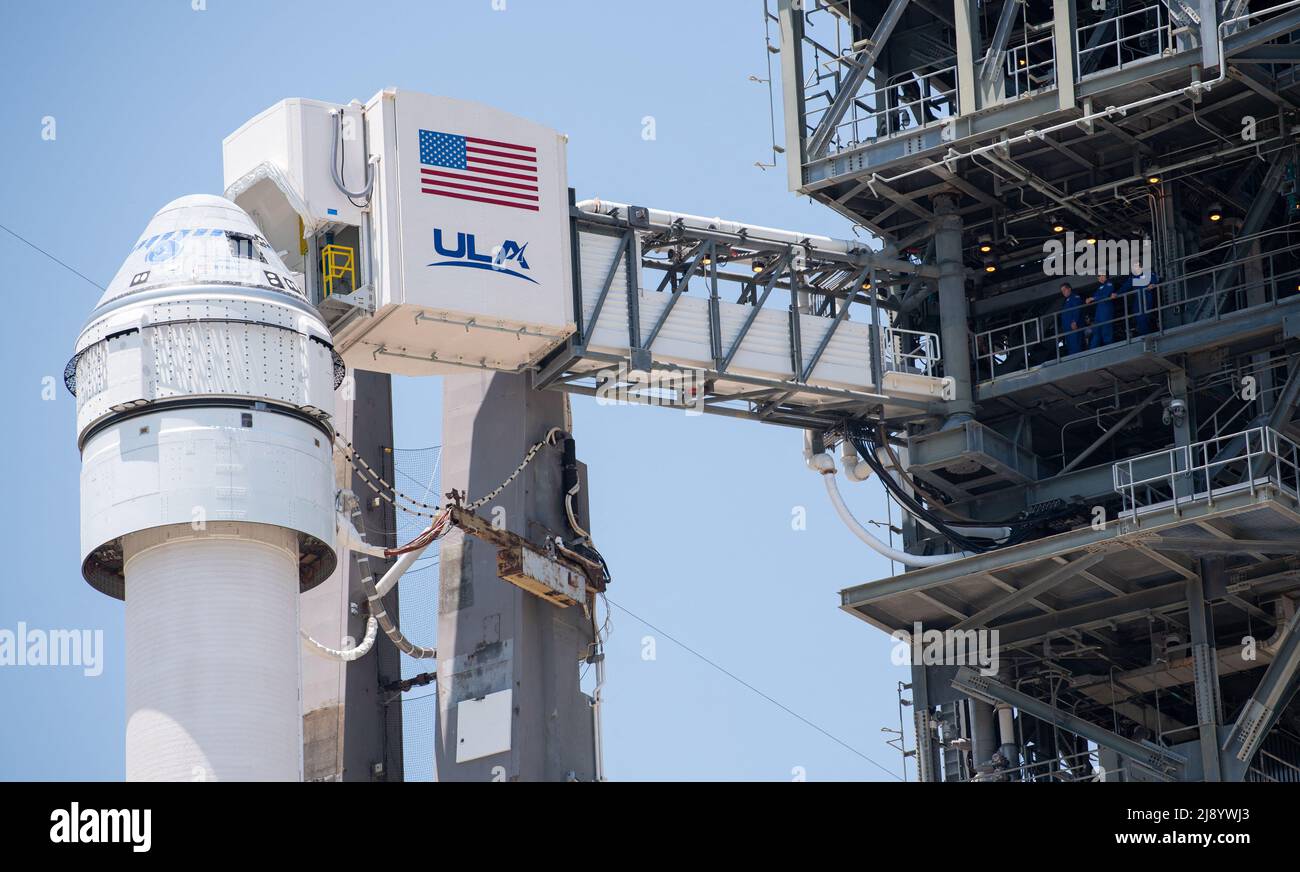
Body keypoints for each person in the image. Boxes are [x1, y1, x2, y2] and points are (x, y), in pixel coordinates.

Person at [1086, 273, 1118, 348]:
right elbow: (1095, 295)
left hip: (1106, 310)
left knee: (1106, 331)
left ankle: (1110, 349)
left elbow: (1105, 295)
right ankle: (1092, 351)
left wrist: (1092, 299)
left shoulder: (1109, 284)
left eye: (1099, 276)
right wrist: (1090, 299)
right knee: (1096, 331)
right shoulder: (1100, 287)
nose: (1098, 278)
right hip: (1099, 312)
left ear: (1104, 276)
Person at [1058, 282, 1084, 355]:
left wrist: (1074, 321)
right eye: (1062, 291)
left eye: (1064, 290)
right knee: (1070, 347)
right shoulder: (1066, 300)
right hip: (1068, 329)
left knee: (1076, 346)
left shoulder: (1075, 297)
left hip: (1074, 327)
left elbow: (1077, 310)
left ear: (1069, 289)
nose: (1063, 292)